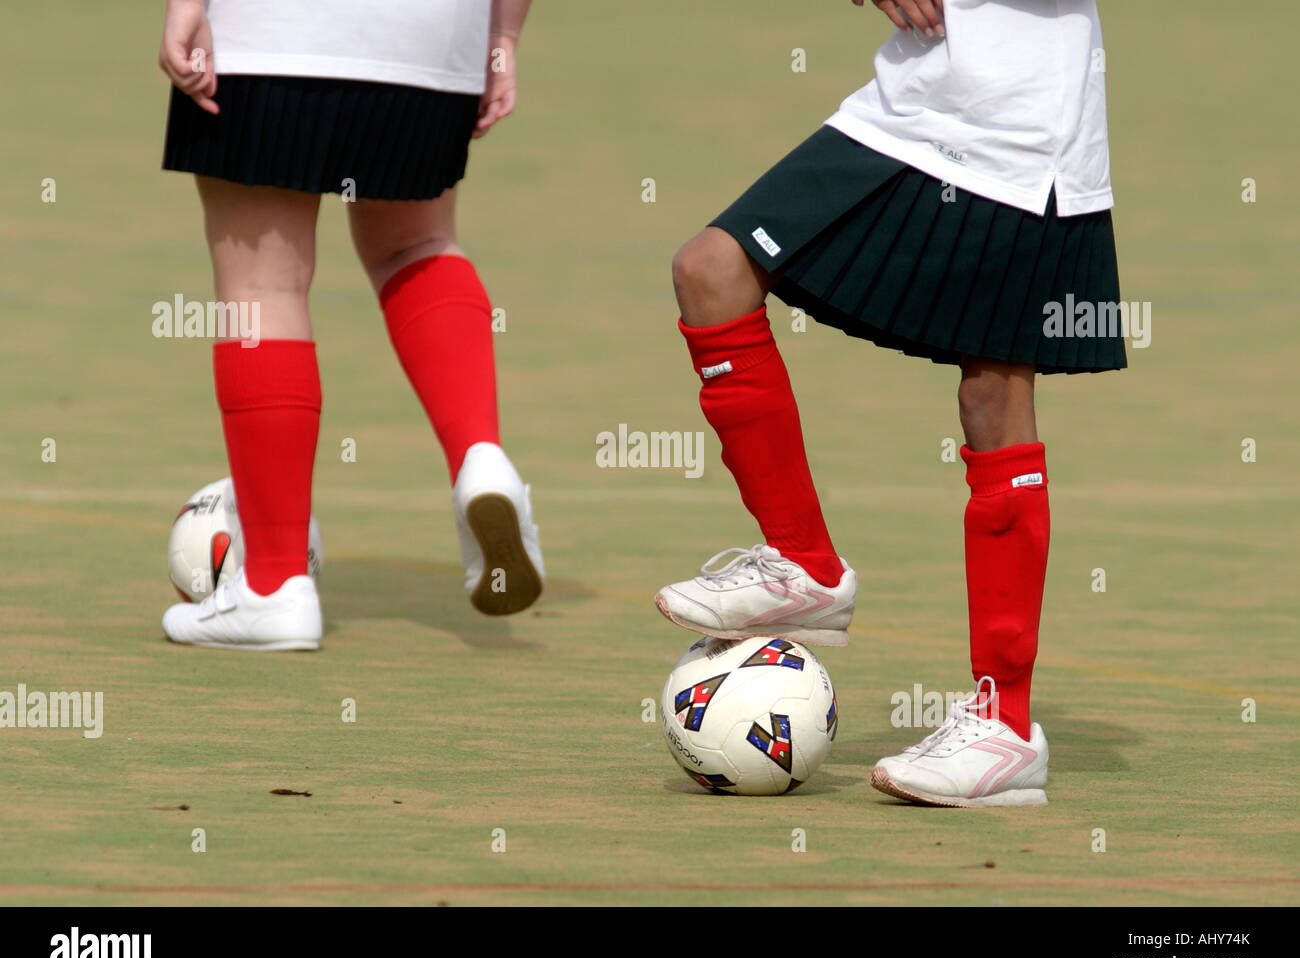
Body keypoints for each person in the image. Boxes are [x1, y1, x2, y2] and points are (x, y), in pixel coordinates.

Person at [656, 0, 1125, 806]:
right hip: (910, 102)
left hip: (1024, 124)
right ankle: (803, 563)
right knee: (711, 271)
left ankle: (1004, 730)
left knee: (992, 395)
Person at [156, 0, 543, 651]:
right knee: (416, 245)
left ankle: (274, 586)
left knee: (262, 283)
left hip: (268, 31)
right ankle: (480, 455)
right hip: (431, 35)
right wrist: (501, 33)